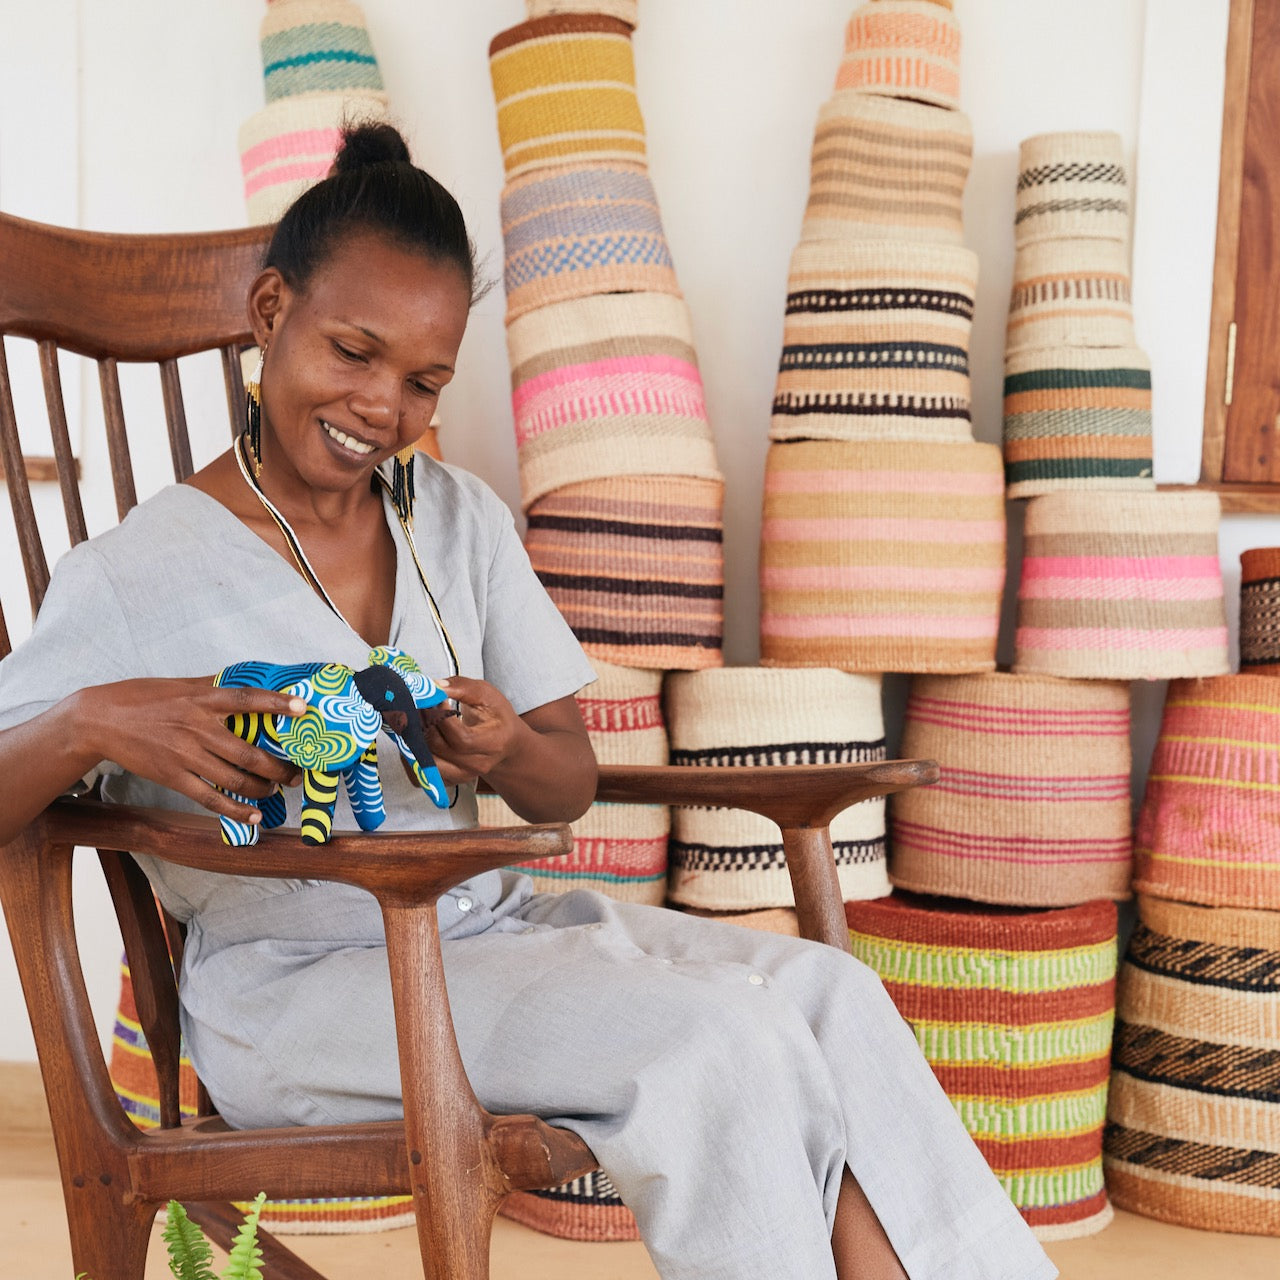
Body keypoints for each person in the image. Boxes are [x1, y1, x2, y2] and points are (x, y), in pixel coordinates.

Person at [0, 123, 1056, 1280]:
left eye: (422, 380)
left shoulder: (453, 516)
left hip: (492, 928)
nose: (380, 406)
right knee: (717, 1036)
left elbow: (568, 776)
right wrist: (92, 720)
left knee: (829, 993)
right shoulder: (132, 573)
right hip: (302, 991)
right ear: (269, 313)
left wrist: (502, 745)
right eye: (352, 351)